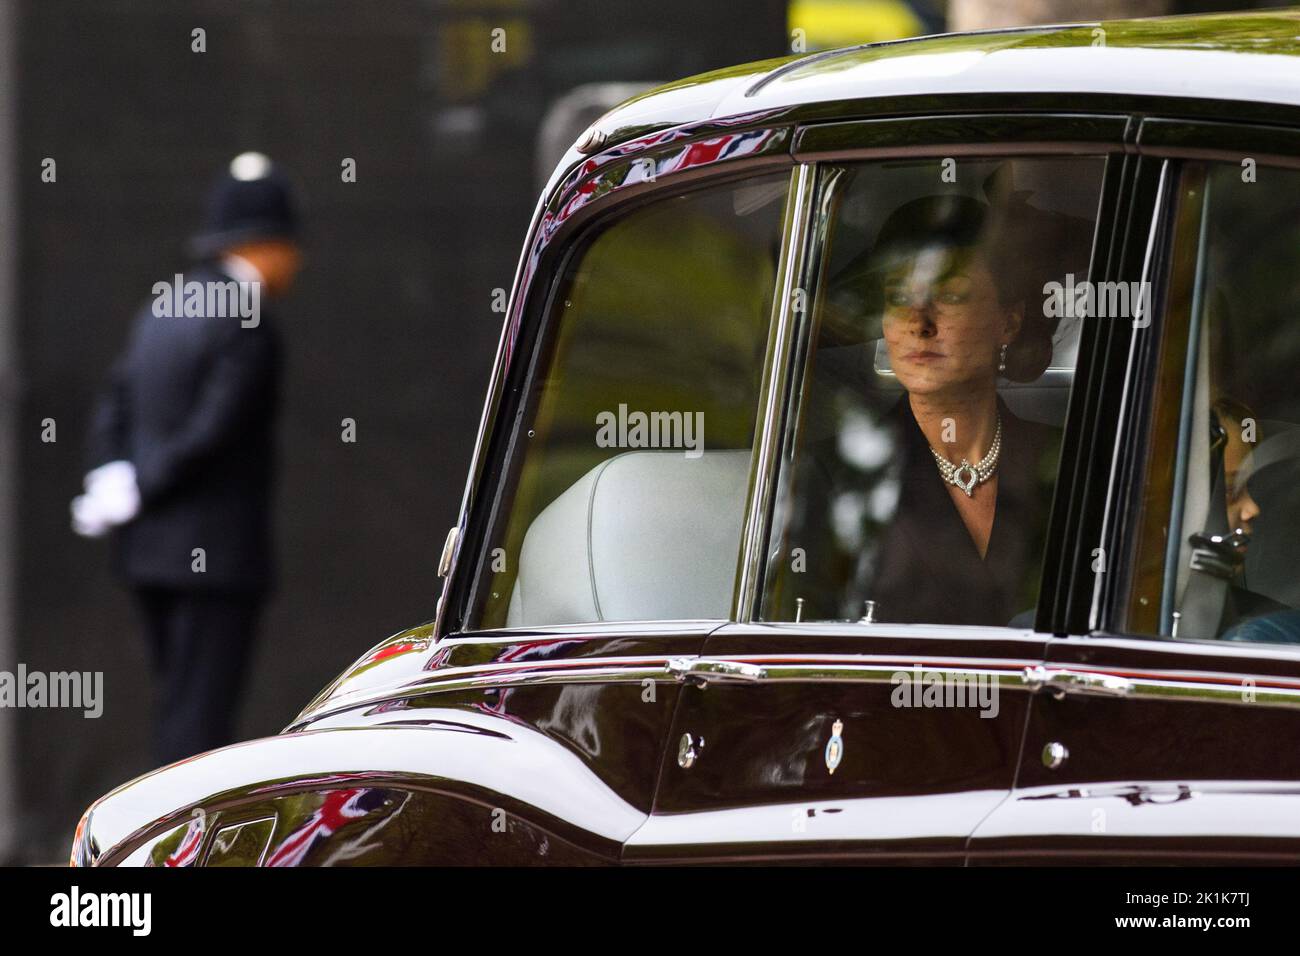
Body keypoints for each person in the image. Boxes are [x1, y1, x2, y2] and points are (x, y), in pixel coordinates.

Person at [72, 152, 301, 765]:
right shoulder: (249, 321)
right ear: (263, 244)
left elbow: (115, 399)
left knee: (177, 705)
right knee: (199, 726)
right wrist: (143, 483)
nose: (296, 261)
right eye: (288, 244)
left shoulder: (162, 307)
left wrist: (113, 477)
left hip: (148, 554)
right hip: (216, 557)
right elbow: (215, 429)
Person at [785, 192, 1066, 626]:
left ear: (1007, 322)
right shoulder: (835, 468)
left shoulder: (1067, 462)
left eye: (950, 297)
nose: (919, 322)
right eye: (899, 297)